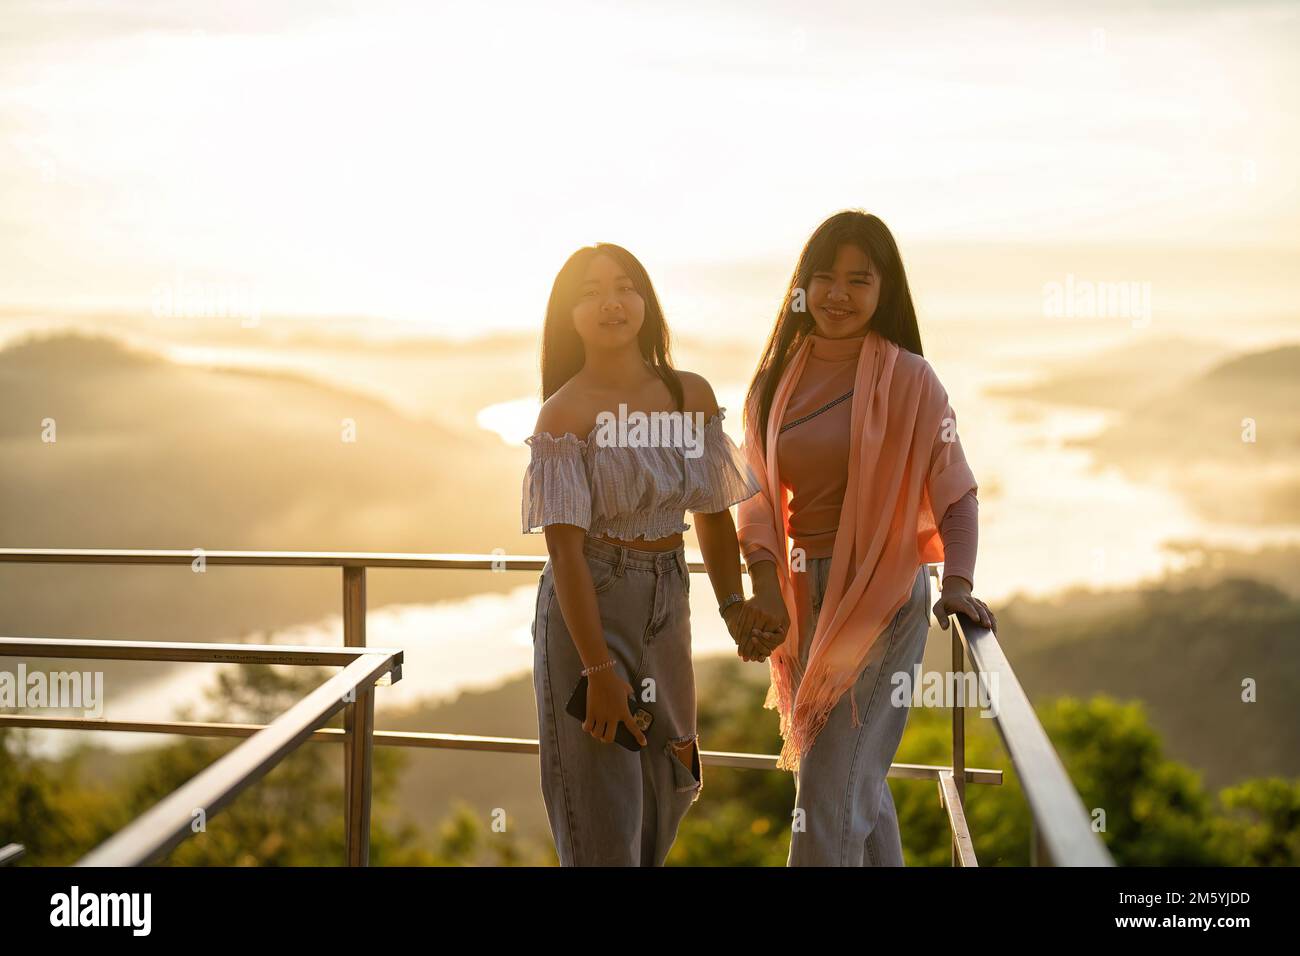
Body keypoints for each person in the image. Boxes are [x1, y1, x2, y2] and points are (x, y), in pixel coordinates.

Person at [734, 210, 999, 866]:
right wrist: (764, 587)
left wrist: (959, 585)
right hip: (804, 598)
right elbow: (755, 495)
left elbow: (955, 490)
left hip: (880, 599)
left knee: (825, 796)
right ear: (801, 288)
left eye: (858, 279)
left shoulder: (912, 379)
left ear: (886, 291)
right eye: (824, 278)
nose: (838, 294)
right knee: (852, 779)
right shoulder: (774, 383)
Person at [522, 242, 776, 865]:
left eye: (625, 285)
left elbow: (713, 513)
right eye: (589, 292)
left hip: (669, 593)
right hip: (592, 609)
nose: (611, 302)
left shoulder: (688, 394)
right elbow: (566, 555)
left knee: (672, 774)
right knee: (603, 810)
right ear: (567, 316)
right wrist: (597, 672)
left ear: (646, 300)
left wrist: (734, 606)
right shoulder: (564, 414)